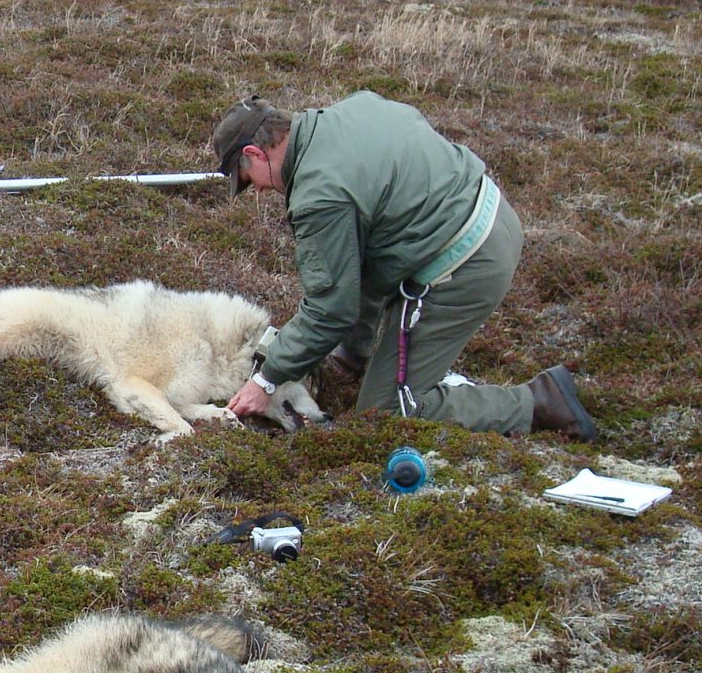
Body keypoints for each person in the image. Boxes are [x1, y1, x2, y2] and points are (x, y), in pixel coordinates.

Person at [212, 90, 597, 440]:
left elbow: (330, 310)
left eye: (248, 179)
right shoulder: (355, 109)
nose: (257, 190)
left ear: (256, 153)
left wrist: (266, 380)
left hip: (465, 264)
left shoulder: (320, 196)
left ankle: (538, 402)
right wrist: (353, 352)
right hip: (494, 214)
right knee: (361, 265)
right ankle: (358, 358)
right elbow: (365, 262)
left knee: (386, 413)